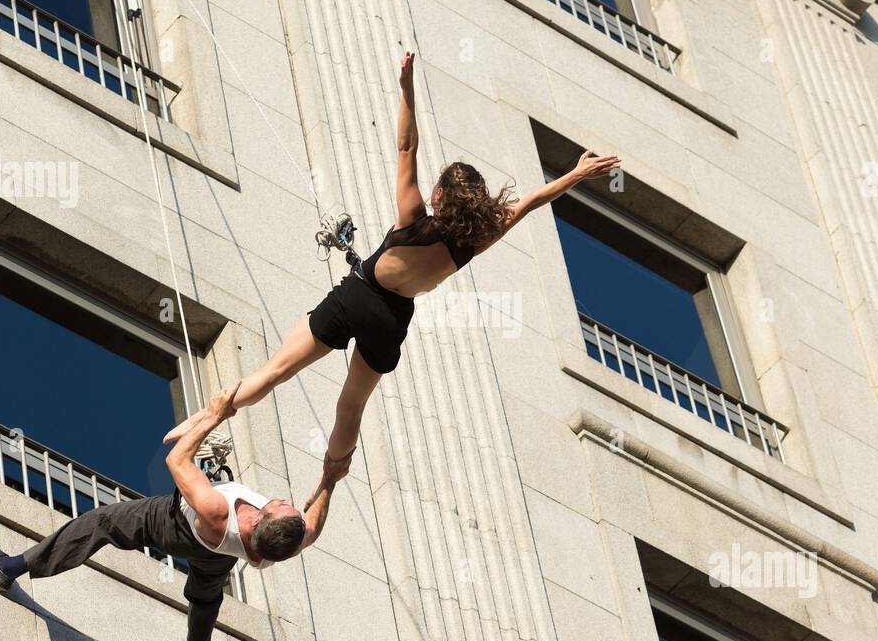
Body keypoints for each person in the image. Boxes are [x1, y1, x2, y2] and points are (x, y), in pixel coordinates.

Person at [163, 51, 621, 466]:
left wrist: (406, 88)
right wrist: (576, 175)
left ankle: (203, 421)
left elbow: (406, 148)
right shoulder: (475, 243)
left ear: (440, 194)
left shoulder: (413, 217)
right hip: (391, 320)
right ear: (477, 205)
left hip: (359, 295)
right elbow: (533, 201)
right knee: (351, 407)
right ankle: (329, 478)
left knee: (276, 371)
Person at [0, 386, 348, 641]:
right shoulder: (282, 541)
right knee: (205, 601)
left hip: (174, 525)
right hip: (219, 558)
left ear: (258, 520)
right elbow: (312, 528)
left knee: (102, 523)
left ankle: (12, 566)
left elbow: (176, 461)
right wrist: (329, 480)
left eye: (282, 505)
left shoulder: (218, 513)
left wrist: (216, 414)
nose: (285, 500)